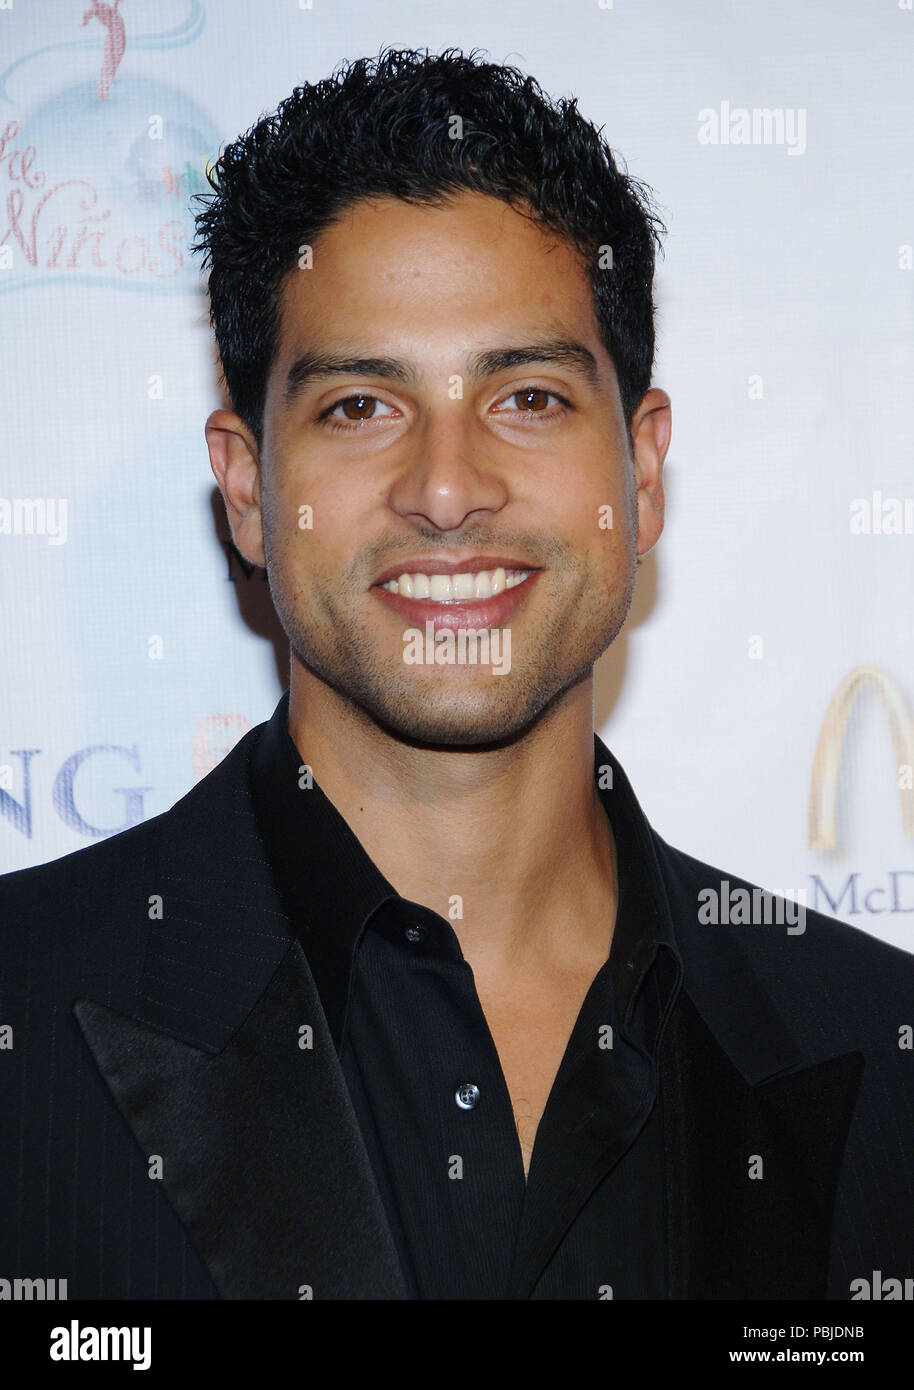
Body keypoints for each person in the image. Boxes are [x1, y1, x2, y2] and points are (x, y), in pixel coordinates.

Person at [2, 47, 912, 1302]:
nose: (445, 488)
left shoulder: (873, 1045)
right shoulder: (23, 1008)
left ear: (640, 478)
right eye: (359, 406)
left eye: (527, 396)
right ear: (246, 489)